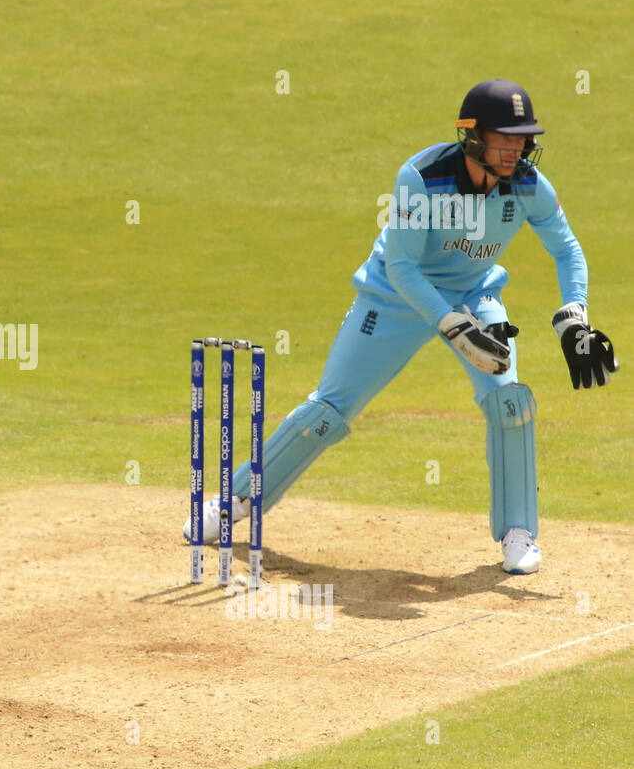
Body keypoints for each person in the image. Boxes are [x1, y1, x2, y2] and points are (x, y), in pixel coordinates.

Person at [189, 79, 617, 575]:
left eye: (522, 139)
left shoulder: (526, 185)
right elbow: (404, 268)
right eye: (505, 137)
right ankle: (236, 501)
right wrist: (454, 327)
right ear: (472, 135)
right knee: (329, 410)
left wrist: (575, 317)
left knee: (510, 401)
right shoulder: (420, 177)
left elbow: (566, 248)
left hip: (474, 295)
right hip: (394, 297)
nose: (516, 149)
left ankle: (518, 533)